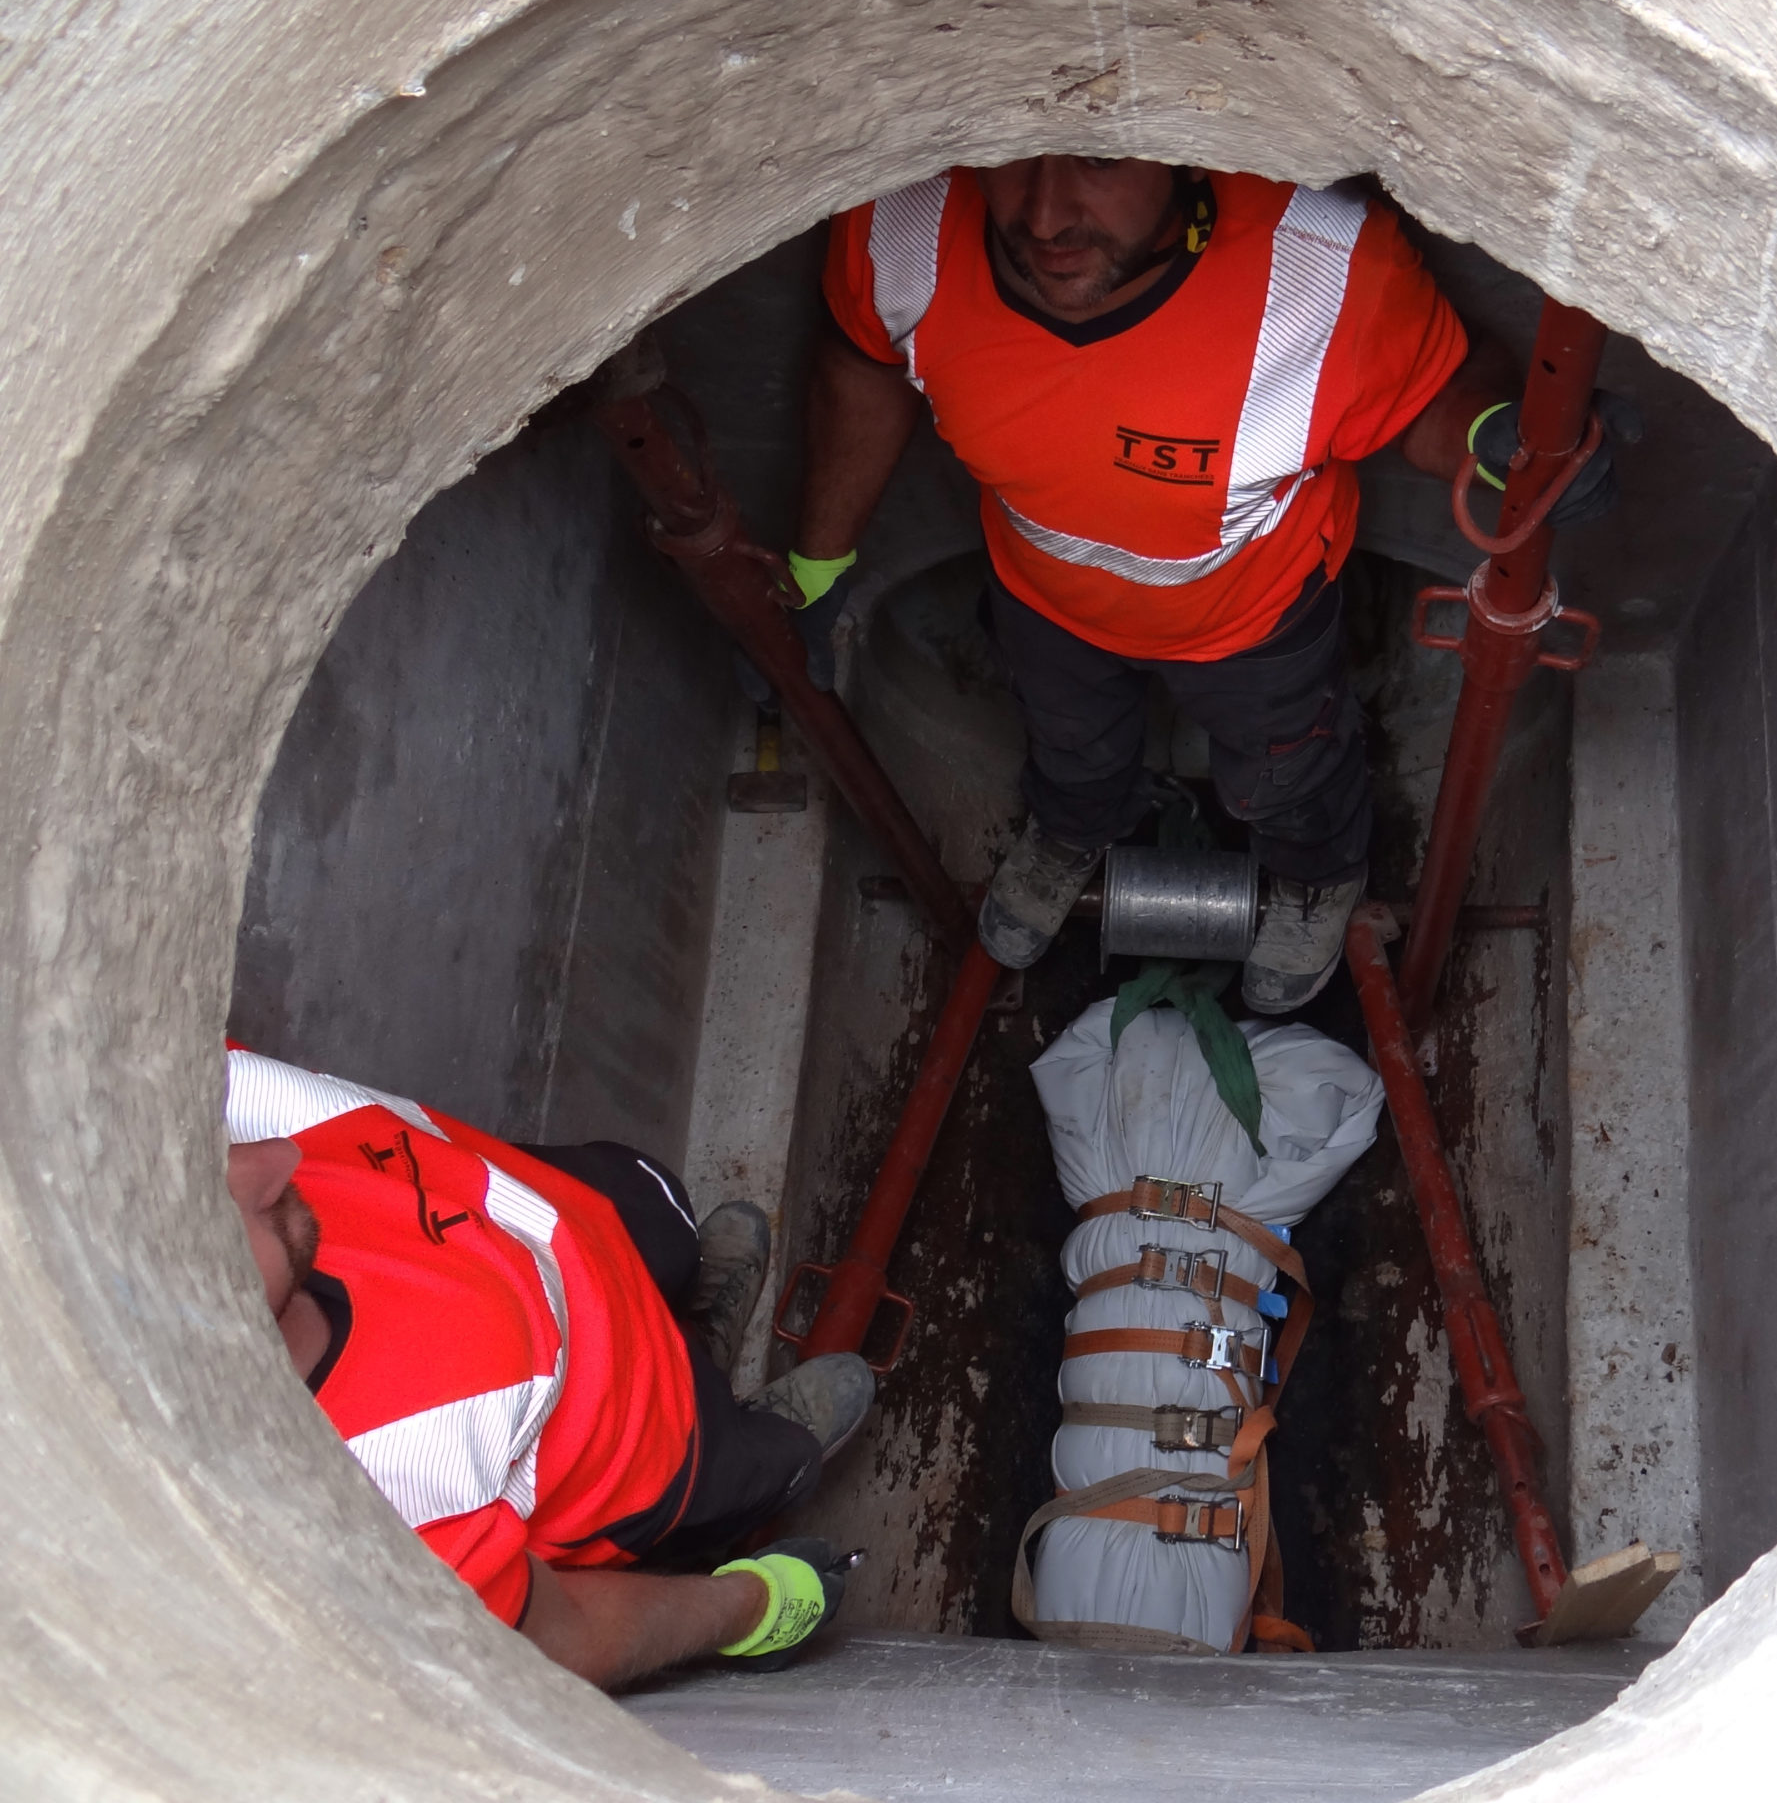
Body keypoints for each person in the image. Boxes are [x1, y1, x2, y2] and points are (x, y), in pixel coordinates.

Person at [787, 157, 1629, 1010]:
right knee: (1070, 747)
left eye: (1099, 163)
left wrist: (1502, 441)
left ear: (1182, 152)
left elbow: (1431, 395)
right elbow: (859, 363)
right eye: (1015, 159)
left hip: (1255, 623)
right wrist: (817, 572)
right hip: (1045, 600)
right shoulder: (904, 229)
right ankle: (1074, 831)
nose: (1043, 218)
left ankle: (1314, 878)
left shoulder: (1318, 269)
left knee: (1289, 774)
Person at [221, 1047, 872, 1687]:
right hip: (640, 1456)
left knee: (668, 1218)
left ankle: (692, 1334)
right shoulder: (384, 1511)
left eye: (201, 1161)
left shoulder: (174, 1107)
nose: (273, 1156)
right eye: (223, 1223)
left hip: (557, 1212)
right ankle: (721, 1409)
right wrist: (752, 1607)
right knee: (768, 1465)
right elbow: (565, 1635)